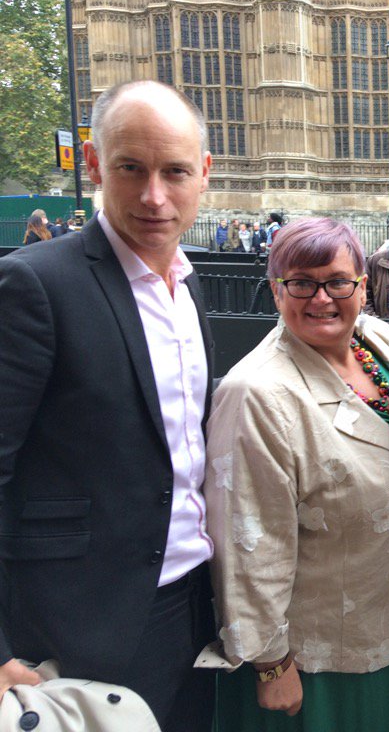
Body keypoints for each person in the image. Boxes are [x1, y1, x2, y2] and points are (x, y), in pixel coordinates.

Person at [0, 80, 216, 731]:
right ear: (94, 164)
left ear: (204, 174)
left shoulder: (189, 286)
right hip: (79, 623)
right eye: (131, 169)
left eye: (174, 171)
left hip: (193, 609)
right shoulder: (36, 283)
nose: (154, 196)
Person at [205, 217, 389, 731]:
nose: (321, 298)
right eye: (301, 284)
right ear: (275, 290)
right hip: (319, 653)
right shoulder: (256, 394)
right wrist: (271, 664)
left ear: (362, 286)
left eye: (337, 282)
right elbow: (248, 542)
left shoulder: (377, 340)